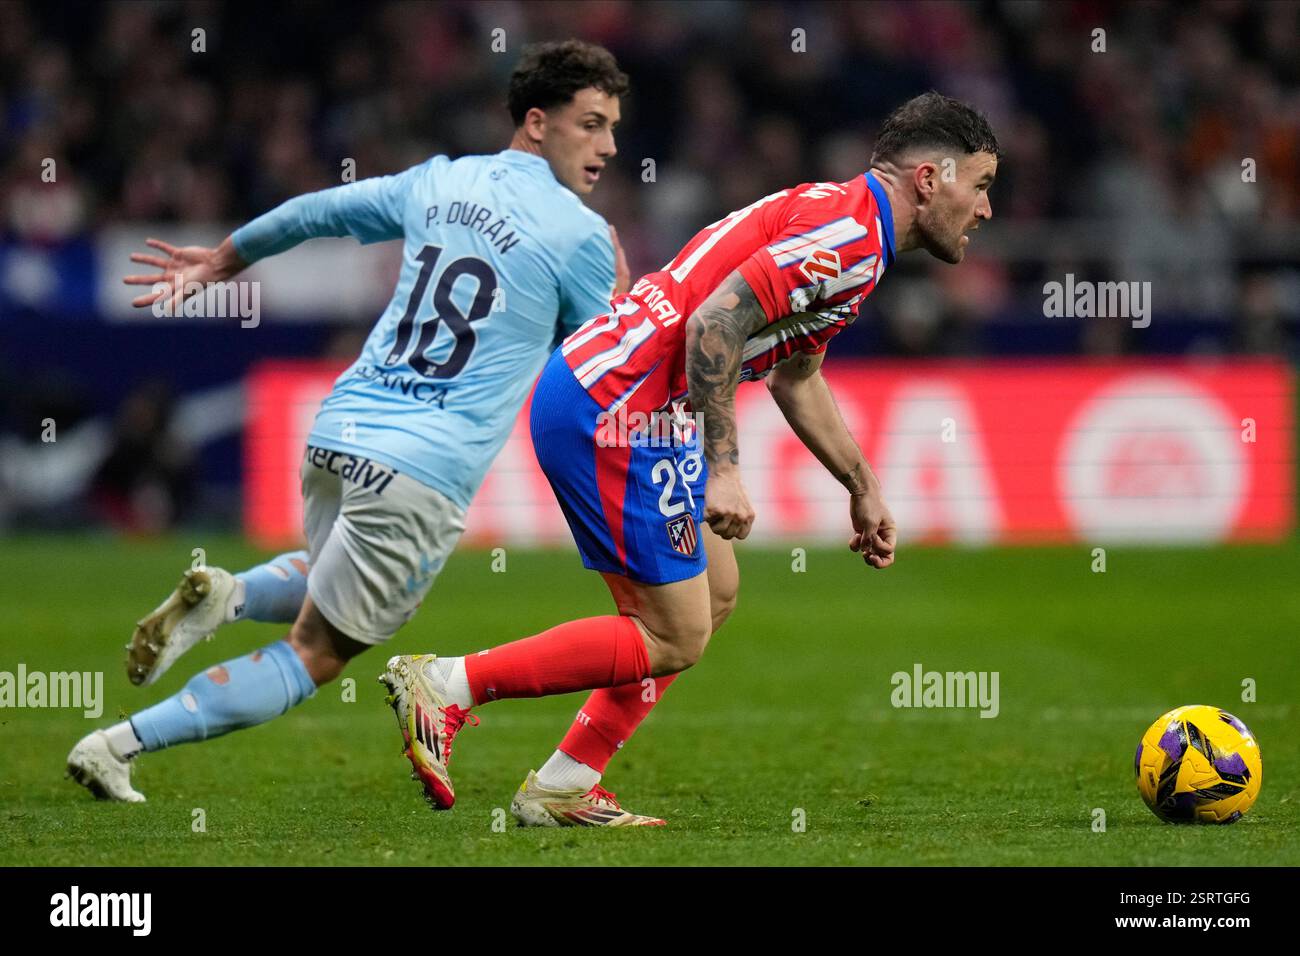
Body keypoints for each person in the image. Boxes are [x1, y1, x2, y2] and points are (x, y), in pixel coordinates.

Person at [381, 91, 1000, 826]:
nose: (986, 209)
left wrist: (861, 486)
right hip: (614, 404)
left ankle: (564, 784)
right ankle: (449, 684)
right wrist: (726, 465)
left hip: (636, 404)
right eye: (982, 186)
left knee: (713, 595)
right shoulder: (849, 237)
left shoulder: (851, 232)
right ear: (931, 179)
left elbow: (796, 375)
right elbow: (716, 321)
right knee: (671, 632)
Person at [67, 39, 630, 803]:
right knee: (317, 652)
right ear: (537, 122)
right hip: (423, 470)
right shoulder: (583, 237)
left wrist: (227, 259)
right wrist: (624, 295)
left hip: (340, 431)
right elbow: (609, 365)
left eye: (613, 128)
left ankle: (229, 595)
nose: (608, 146)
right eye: (591, 124)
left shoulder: (442, 179)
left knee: (329, 574)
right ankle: (118, 746)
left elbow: (320, 211)